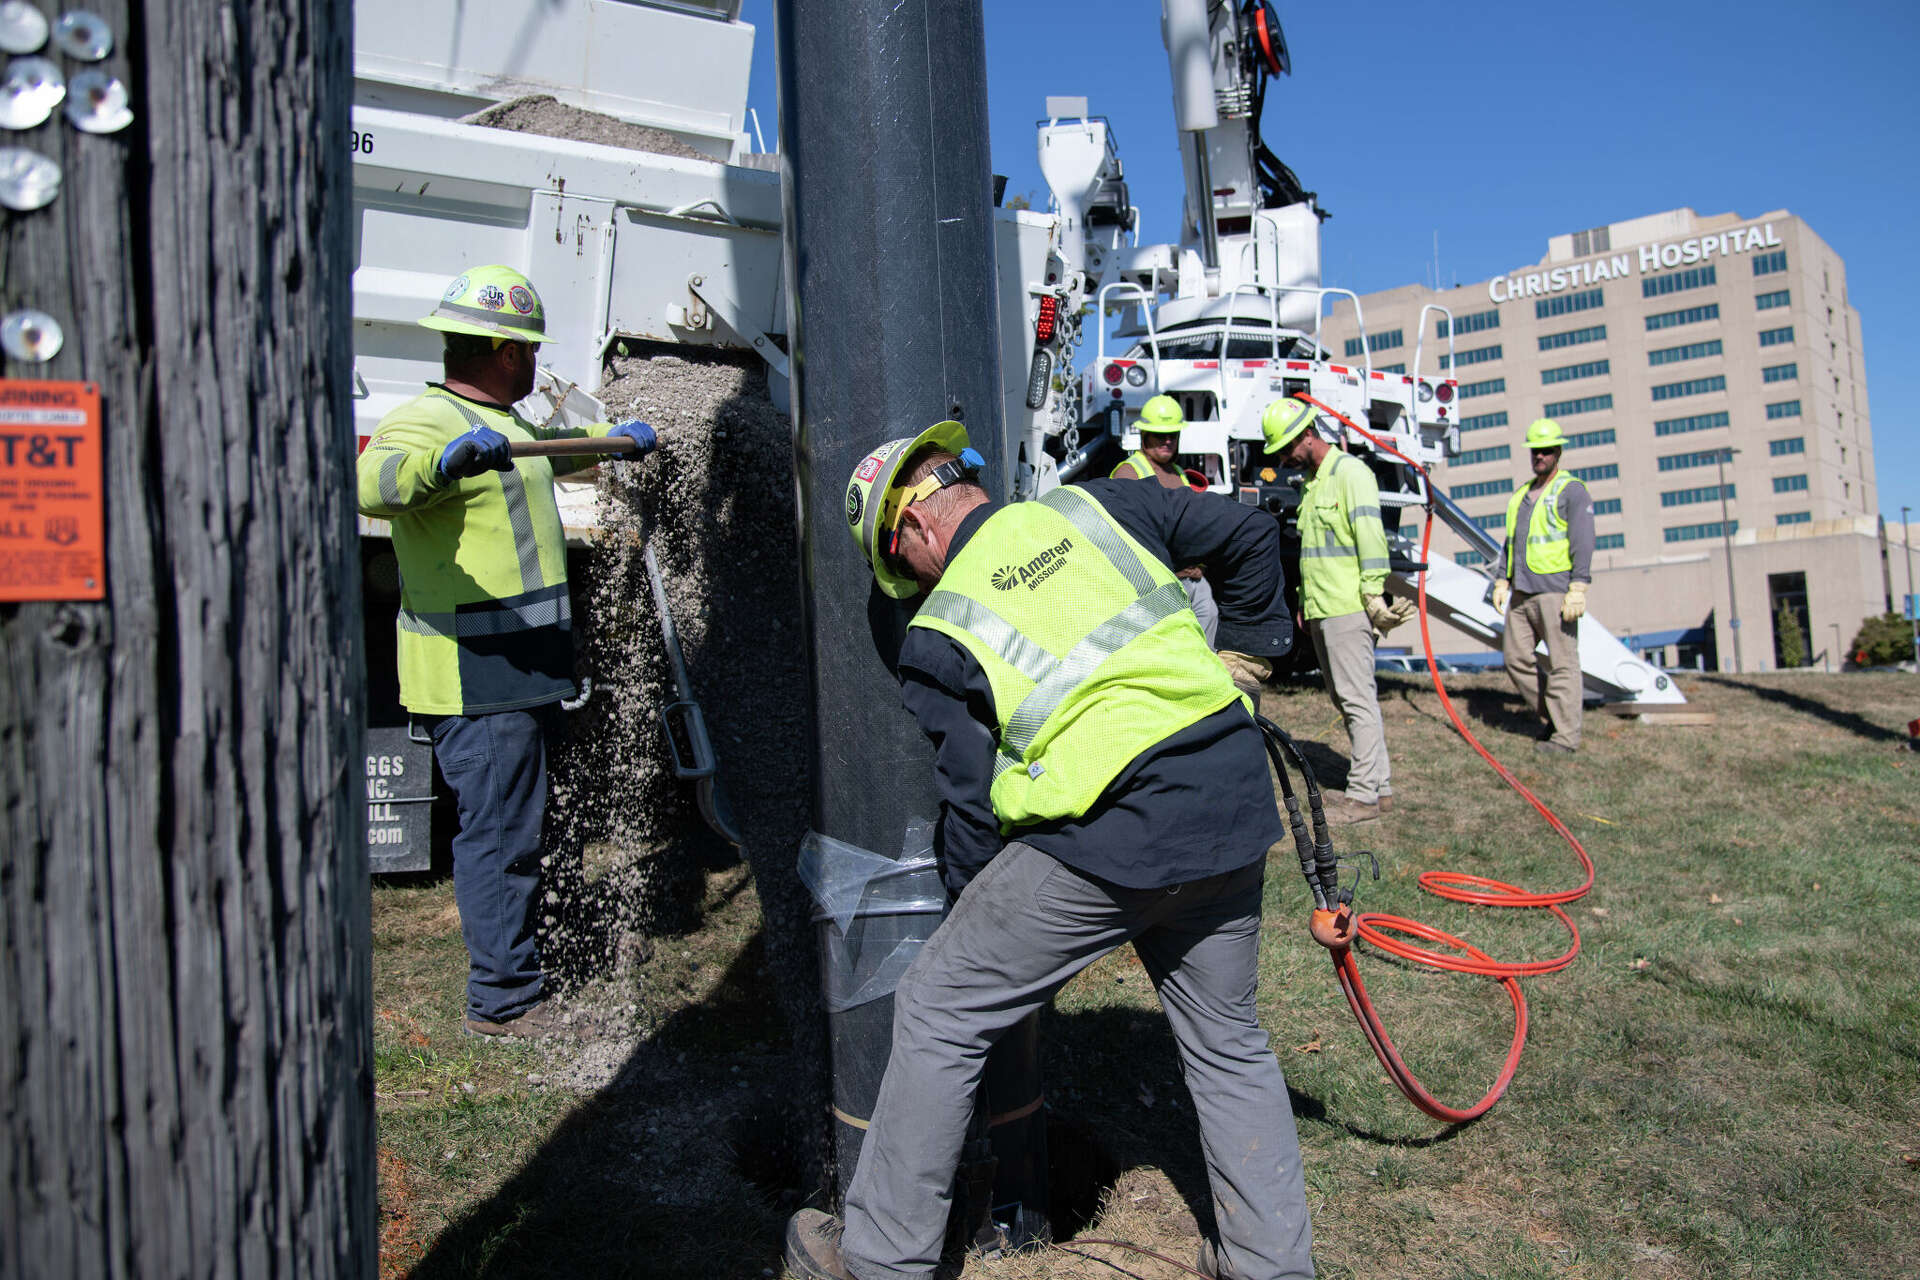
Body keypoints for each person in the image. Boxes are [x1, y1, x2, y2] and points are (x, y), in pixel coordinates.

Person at [786, 421, 1311, 1280]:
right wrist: (1247, 659)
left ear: (913, 530)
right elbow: (1252, 532)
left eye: (896, 561)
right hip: (1228, 799)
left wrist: (972, 924)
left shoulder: (940, 631)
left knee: (940, 1006)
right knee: (1227, 1039)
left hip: (1110, 831)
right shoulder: (1098, 505)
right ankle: (1271, 1267)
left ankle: (878, 1262)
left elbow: (970, 812)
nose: (908, 583)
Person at [356, 265, 658, 1037]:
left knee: (531, 824)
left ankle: (543, 949)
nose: (532, 363)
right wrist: (443, 463)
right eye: (527, 350)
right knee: (498, 838)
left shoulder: (511, 427)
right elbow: (373, 481)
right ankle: (503, 999)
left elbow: (551, 452)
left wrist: (618, 445)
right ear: (501, 351)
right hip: (472, 674)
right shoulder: (427, 422)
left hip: (522, 668)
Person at [1259, 397, 1413, 823]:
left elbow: (1370, 538)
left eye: (1288, 447)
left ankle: (1362, 797)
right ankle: (1379, 789)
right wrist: (1307, 604)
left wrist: (1372, 596)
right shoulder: (1312, 485)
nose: (1285, 458)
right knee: (1349, 700)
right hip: (1323, 608)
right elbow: (1315, 553)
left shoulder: (1351, 474)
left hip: (1347, 607)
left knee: (1357, 700)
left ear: (1308, 435)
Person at [1491, 418, 1594, 755]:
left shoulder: (1571, 491)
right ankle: (1554, 715)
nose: (1540, 456)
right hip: (1521, 592)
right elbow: (1512, 543)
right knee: (1515, 658)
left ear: (1558, 452)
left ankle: (1565, 739)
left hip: (1555, 591)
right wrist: (1502, 579)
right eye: (1536, 450)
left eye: (1546, 450)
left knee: (1563, 664)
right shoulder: (1522, 495)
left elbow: (1583, 539)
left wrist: (1578, 585)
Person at [1110, 393, 1219, 645]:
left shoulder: (1179, 473)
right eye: (1160, 435)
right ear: (1144, 435)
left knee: (1207, 631)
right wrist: (1171, 569)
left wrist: (1200, 564)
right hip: (1159, 583)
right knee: (1168, 645)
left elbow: (1191, 524)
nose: (1168, 441)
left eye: (1173, 434)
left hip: (1192, 577)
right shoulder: (1130, 472)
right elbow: (1124, 537)